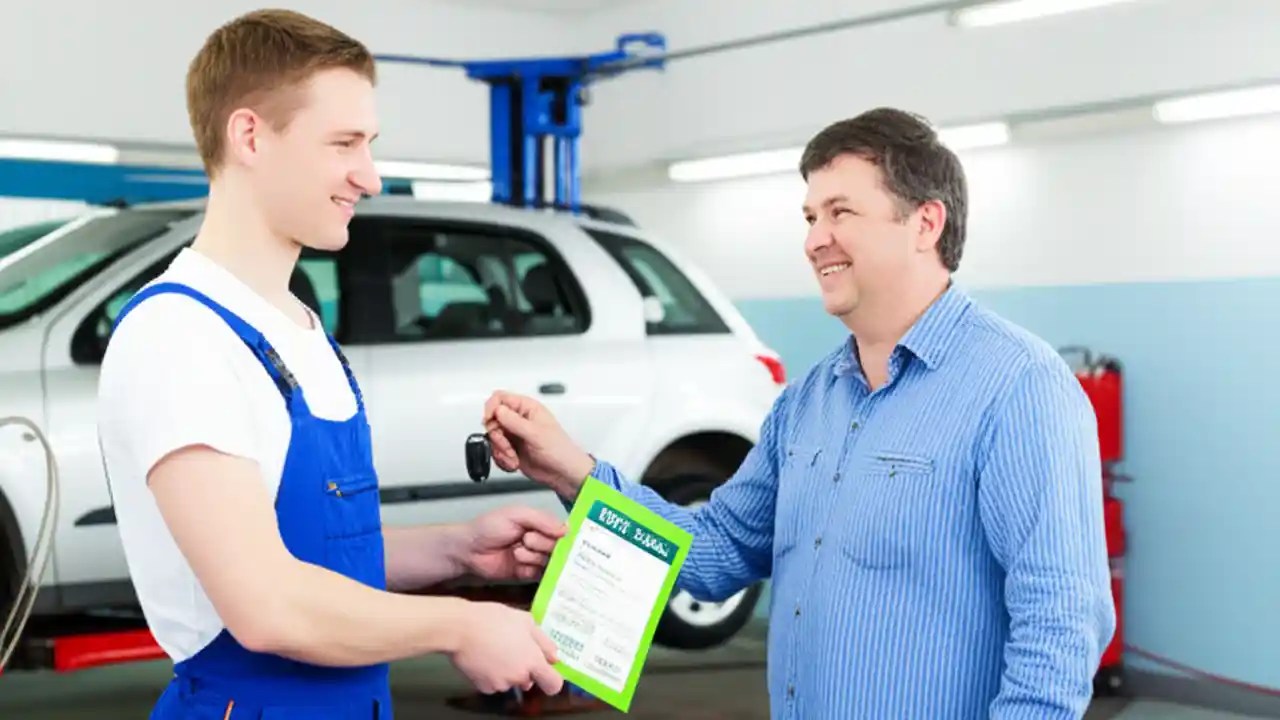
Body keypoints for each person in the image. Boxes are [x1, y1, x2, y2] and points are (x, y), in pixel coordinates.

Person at [482, 107, 1117, 719]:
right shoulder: (808, 401)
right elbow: (715, 551)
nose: (815, 241)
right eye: (811, 217)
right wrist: (573, 471)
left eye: (841, 212)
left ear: (925, 224)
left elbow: (1061, 623)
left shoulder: (1019, 388)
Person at [96, 10, 564, 719]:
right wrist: (460, 624)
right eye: (343, 143)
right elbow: (269, 606)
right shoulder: (179, 337)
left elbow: (312, 553)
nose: (369, 178)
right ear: (250, 136)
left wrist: (456, 552)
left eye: (369, 145)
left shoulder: (298, 327)